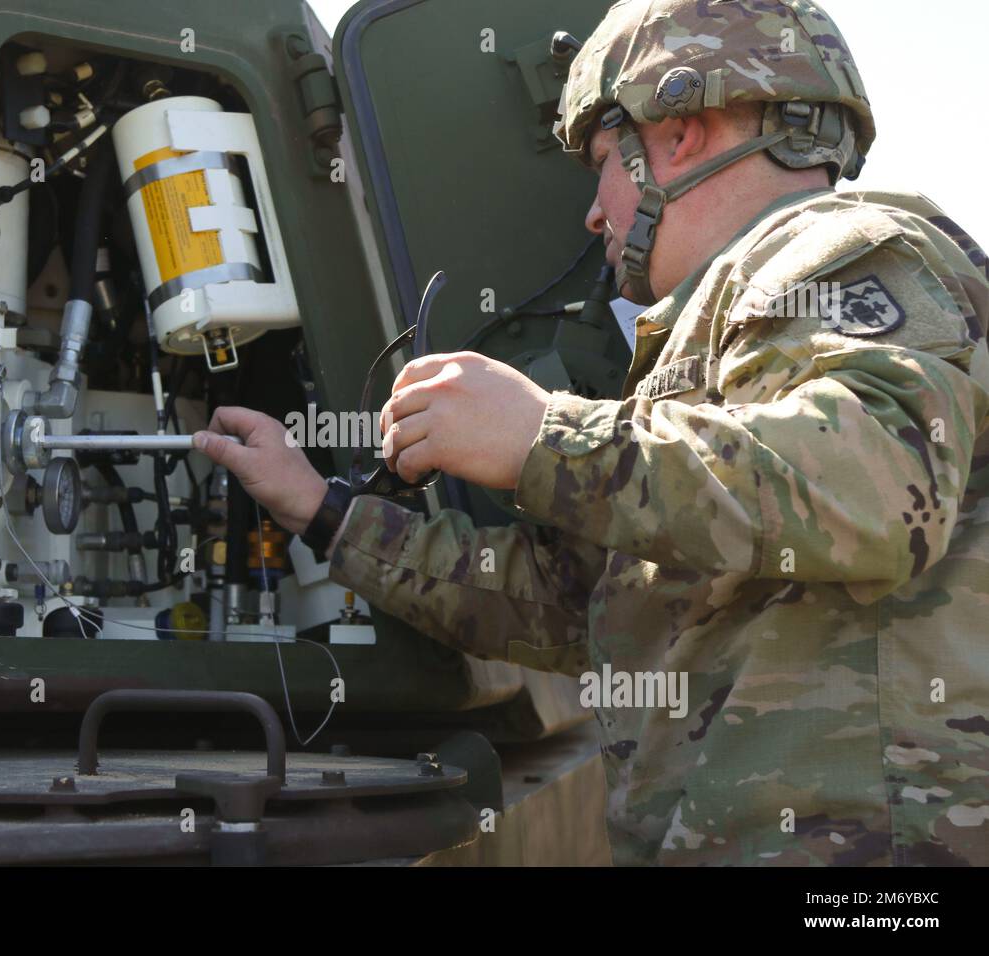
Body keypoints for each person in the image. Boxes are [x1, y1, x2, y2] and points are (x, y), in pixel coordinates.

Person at [193, 0, 989, 865]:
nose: (595, 214)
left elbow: (873, 493)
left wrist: (541, 437)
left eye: (604, 164)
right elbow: (575, 607)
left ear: (680, 132)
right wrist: (324, 513)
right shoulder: (701, 329)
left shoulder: (835, 253)